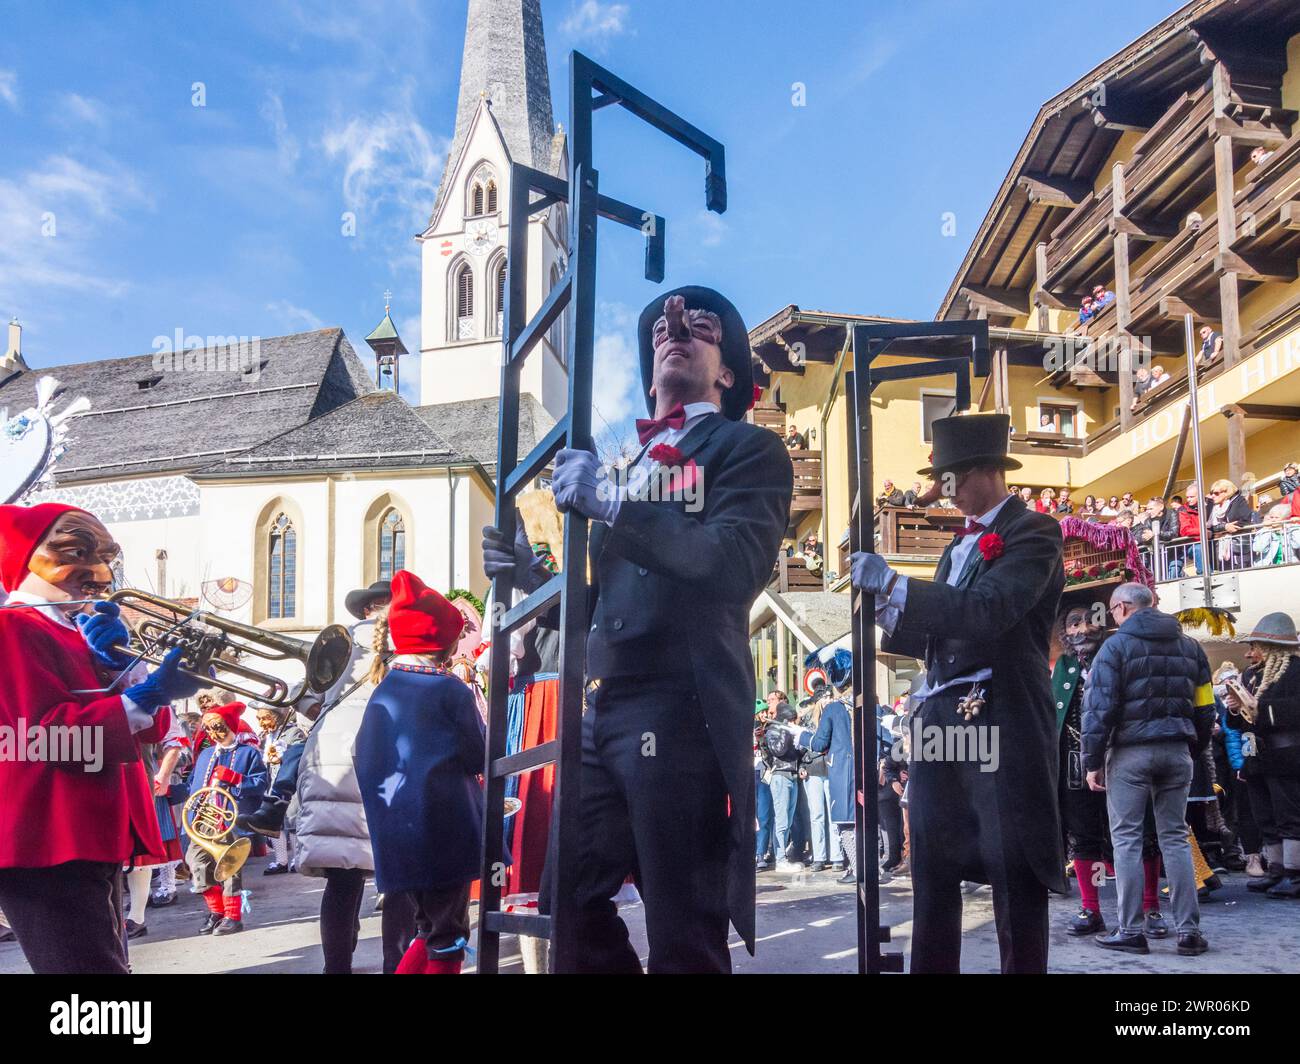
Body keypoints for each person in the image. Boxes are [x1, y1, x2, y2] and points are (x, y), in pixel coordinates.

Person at [484, 285, 792, 973]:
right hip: (605, 706)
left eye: (700, 327)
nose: (673, 329)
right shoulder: (628, 467)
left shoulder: (747, 449)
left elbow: (731, 564)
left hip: (682, 709)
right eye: (659, 329)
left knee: (684, 931)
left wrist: (614, 504)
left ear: (729, 373)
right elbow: (607, 610)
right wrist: (534, 580)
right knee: (567, 908)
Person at [851, 413, 1066, 974]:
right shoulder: (955, 549)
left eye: (947, 479)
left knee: (1011, 866)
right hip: (943, 720)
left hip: (1000, 718)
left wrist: (898, 583)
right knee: (933, 863)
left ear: (983, 472)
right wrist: (886, 607)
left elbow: (989, 612)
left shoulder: (1034, 532)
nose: (942, 493)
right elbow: (939, 634)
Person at [0, 503, 203, 974]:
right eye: (75, 552)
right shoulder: (12, 628)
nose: (97, 572)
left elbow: (150, 731)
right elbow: (45, 738)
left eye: (105, 556)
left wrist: (128, 667)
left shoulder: (75, 629)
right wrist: (146, 693)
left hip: (93, 831)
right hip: (48, 836)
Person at [355, 571, 485, 975]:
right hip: (444, 835)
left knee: (427, 930)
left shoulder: (383, 689)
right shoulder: (451, 691)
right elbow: (479, 756)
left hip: (398, 841)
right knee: (448, 937)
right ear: (445, 643)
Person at [1081, 583, 1214, 956]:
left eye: (1112, 611)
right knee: (1174, 837)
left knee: (1126, 839)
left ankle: (1130, 930)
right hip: (1177, 751)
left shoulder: (1115, 647)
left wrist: (1092, 762)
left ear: (1123, 607)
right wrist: (1193, 747)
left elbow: (1098, 710)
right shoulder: (1191, 647)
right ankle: (1189, 932)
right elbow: (1205, 707)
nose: (1111, 617)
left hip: (1130, 753)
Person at [288, 601, 418, 975]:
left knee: (342, 878)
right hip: (386, 753)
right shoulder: (405, 640)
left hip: (329, 757)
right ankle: (396, 967)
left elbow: (302, 697)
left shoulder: (338, 639)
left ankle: (337, 969)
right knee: (398, 879)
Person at [170, 701, 268, 935]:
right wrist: (169, 792)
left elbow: (261, 784)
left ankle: (233, 916)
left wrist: (235, 778)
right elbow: (193, 783)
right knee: (196, 863)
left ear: (230, 726)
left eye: (219, 727)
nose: (214, 733)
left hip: (230, 819)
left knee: (230, 867)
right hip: (201, 821)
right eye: (209, 729)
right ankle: (216, 911)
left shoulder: (249, 753)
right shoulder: (205, 753)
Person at [1225, 613, 1300, 899]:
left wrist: (1261, 708)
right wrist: (1235, 708)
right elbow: (1239, 723)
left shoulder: (1296, 671)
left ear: (1272, 645)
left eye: (1255, 646)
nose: (1249, 652)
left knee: (1290, 815)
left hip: (1287, 755)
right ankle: (1277, 869)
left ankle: (1295, 872)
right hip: (1257, 756)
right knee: (1265, 816)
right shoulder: (1250, 675)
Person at [255, 704, 304, 874]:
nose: (262, 723)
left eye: (265, 718)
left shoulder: (293, 732)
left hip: (289, 785)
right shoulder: (266, 737)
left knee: (291, 822)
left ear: (276, 716)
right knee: (275, 823)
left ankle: (296, 859)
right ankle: (281, 860)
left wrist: (284, 753)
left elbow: (300, 754)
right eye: (259, 719)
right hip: (271, 784)